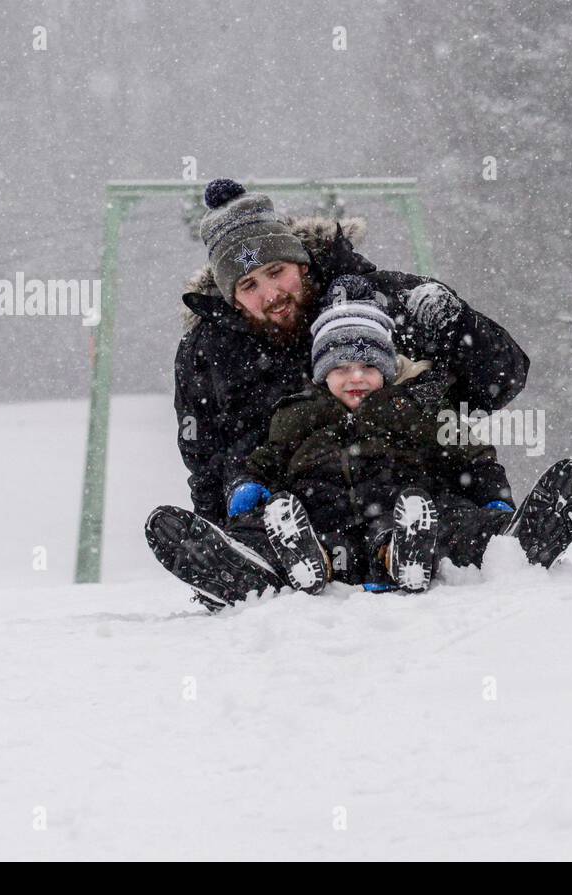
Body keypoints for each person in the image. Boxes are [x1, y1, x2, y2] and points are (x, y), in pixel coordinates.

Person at [146, 177, 533, 608]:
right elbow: (206, 458)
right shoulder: (209, 350)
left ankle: (501, 546)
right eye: (249, 285)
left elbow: (502, 381)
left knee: (446, 514)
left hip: (408, 496)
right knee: (266, 522)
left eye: (277, 272)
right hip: (297, 515)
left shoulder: (381, 301)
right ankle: (247, 562)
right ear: (232, 298)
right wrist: (225, 533)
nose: (271, 295)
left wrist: (457, 323)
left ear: (303, 264)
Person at [216, 277, 572, 596]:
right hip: (321, 523)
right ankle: (242, 562)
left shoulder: (410, 408)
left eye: (368, 366)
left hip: (407, 516)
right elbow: (267, 459)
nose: (356, 377)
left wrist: (493, 499)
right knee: (272, 524)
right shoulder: (297, 413)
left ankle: (508, 542)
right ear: (321, 374)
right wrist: (248, 486)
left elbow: (470, 455)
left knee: (452, 519)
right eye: (341, 368)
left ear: (387, 370)